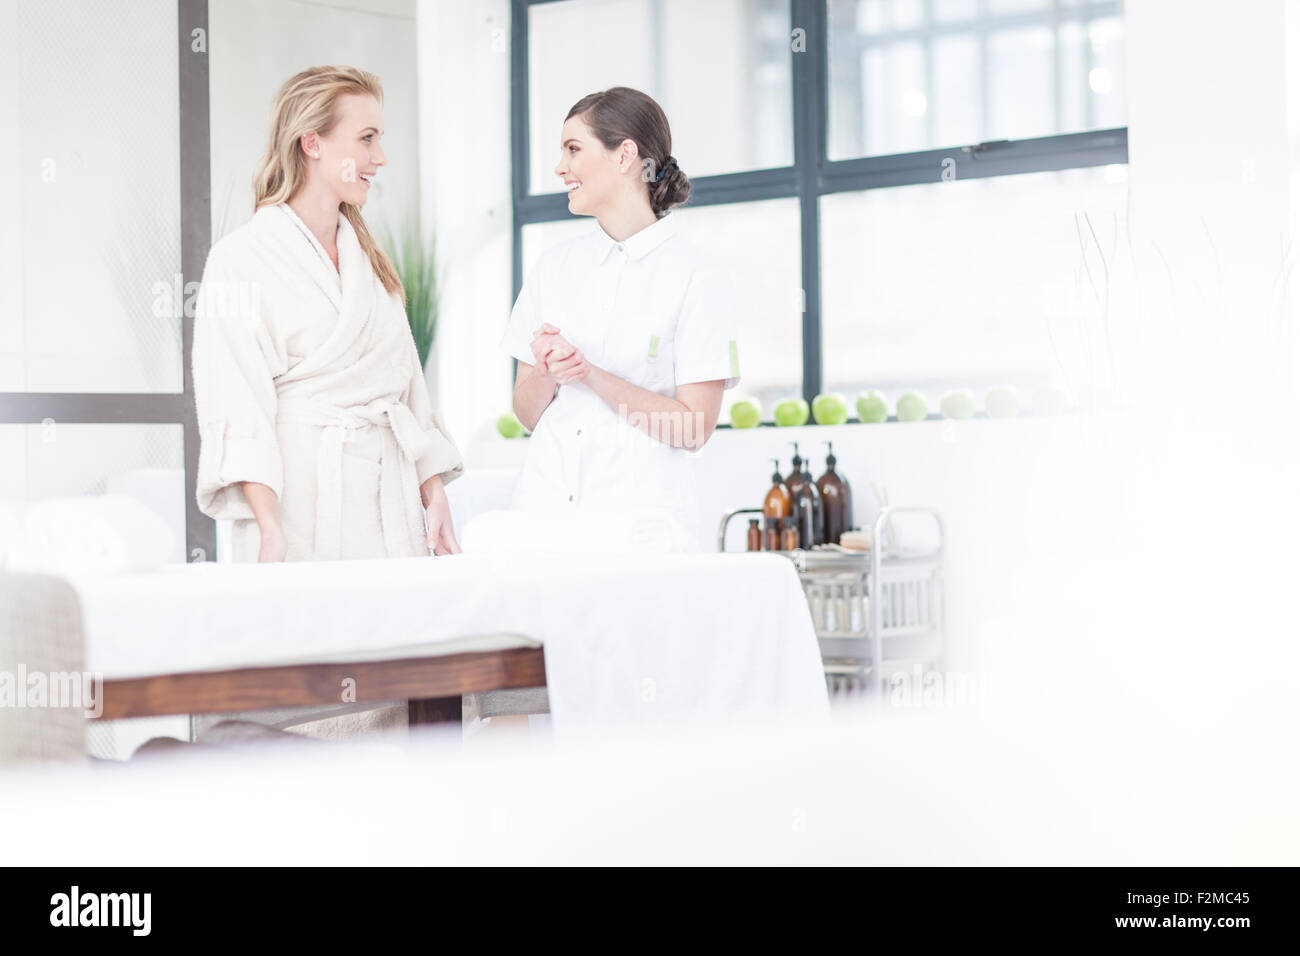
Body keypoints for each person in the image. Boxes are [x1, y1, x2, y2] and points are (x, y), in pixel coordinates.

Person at [191, 66, 464, 739]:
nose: (381, 157)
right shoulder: (241, 259)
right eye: (366, 137)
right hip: (301, 498)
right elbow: (236, 401)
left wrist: (433, 488)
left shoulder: (369, 258)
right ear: (311, 142)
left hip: (387, 499)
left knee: (392, 676)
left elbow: (406, 381)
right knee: (310, 689)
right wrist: (271, 528)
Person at [471, 86, 743, 726]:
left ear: (625, 156)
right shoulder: (555, 267)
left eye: (572, 149)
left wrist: (592, 375)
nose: (560, 167)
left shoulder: (696, 277)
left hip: (636, 525)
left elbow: (691, 427)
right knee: (521, 704)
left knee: (629, 708)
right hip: (545, 515)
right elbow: (530, 412)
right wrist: (547, 366)